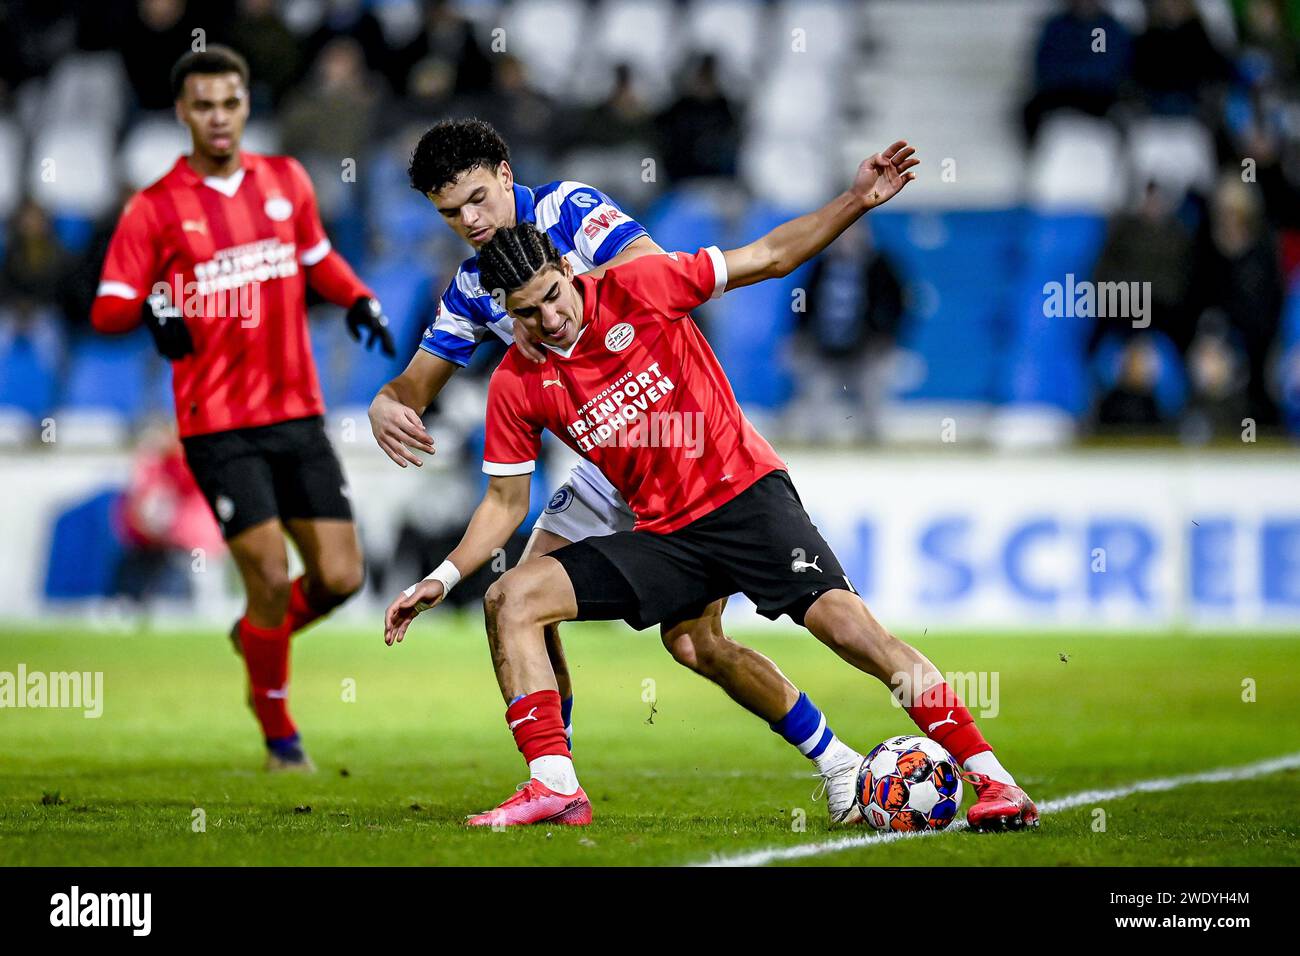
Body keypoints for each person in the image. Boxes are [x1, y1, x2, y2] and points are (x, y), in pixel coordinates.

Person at [385, 142, 1040, 832]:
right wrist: (443, 574)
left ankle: (993, 779)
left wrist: (855, 201)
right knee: (521, 599)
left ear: (566, 272)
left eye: (553, 297)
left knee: (847, 629)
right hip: (660, 528)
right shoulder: (516, 383)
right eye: (527, 314)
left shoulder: (639, 283)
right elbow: (503, 503)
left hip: (741, 493)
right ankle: (556, 783)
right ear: (506, 319)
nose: (549, 320)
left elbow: (768, 257)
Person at [371, 119, 781, 761]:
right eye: (451, 213)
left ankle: (835, 759)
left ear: (506, 174)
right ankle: (554, 774)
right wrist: (387, 403)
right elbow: (415, 385)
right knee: (517, 598)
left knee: (696, 643)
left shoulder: (569, 208)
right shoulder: (474, 289)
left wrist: (562, 316)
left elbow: (651, 270)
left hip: (677, 441)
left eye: (479, 197)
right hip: (603, 463)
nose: (471, 220)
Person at [91, 46, 396, 771]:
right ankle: (280, 737)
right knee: (264, 572)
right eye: (204, 105)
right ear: (182, 112)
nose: (219, 117)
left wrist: (355, 295)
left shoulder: (285, 179)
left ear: (246, 105)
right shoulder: (155, 206)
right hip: (218, 424)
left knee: (341, 577)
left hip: (296, 412)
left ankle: (258, 636)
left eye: (230, 103)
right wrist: (151, 311)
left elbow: (316, 253)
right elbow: (107, 306)